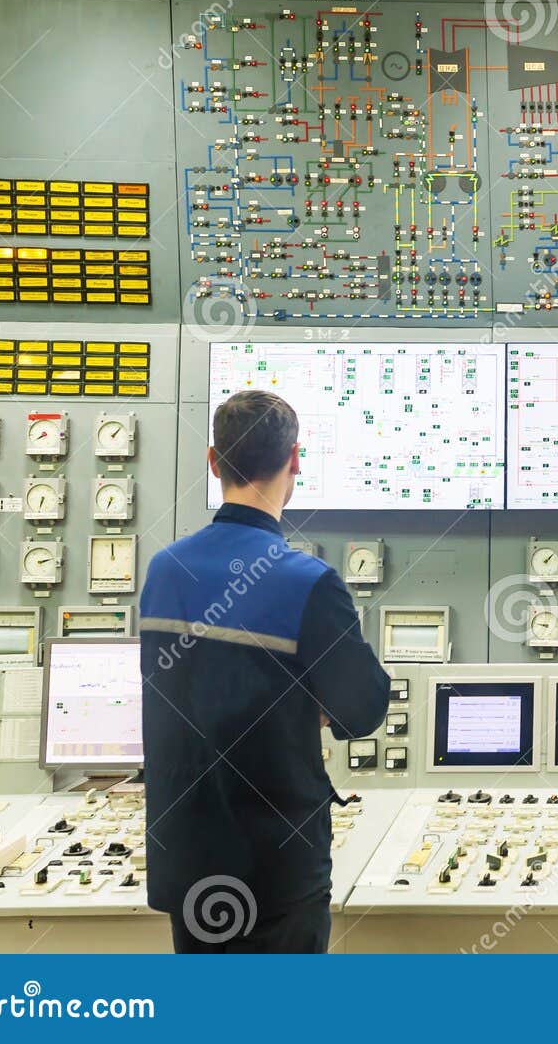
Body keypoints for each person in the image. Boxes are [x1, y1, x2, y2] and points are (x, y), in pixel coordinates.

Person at [139, 389, 388, 953]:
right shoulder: (306, 582)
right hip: (275, 872)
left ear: (213, 461)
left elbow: (187, 691)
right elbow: (365, 708)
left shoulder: (164, 570)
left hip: (189, 862)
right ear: (295, 459)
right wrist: (309, 706)